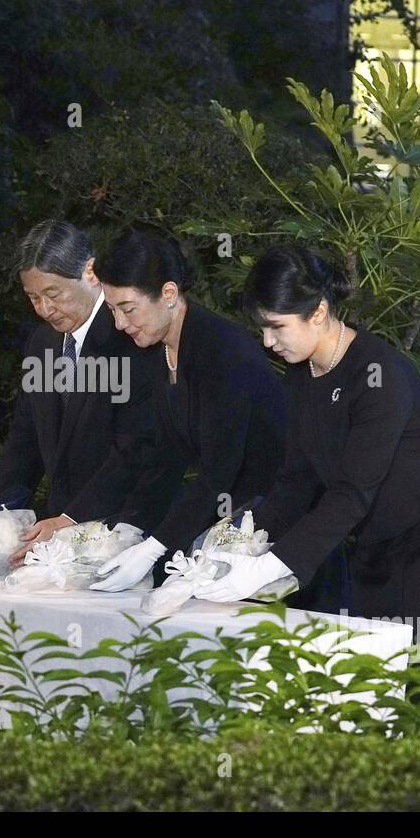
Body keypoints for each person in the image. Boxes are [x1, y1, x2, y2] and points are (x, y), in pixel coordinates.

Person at [191, 245, 420, 641]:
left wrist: (273, 566)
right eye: (262, 330)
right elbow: (297, 482)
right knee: (377, 686)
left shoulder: (379, 372)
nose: (268, 342)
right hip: (376, 552)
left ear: (319, 312)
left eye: (277, 327)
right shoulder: (304, 374)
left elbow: (352, 492)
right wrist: (238, 543)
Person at [91, 231, 288, 591]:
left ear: (168, 294)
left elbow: (219, 471)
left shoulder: (221, 350)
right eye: (111, 310)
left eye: (128, 308)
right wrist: (128, 530)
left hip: (272, 533)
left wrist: (153, 548)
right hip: (225, 523)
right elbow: (166, 455)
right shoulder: (158, 348)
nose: (119, 323)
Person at [0, 220, 158, 567]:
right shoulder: (42, 343)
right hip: (56, 536)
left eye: (53, 294)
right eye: (33, 298)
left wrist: (71, 520)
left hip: (127, 532)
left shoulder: (133, 335)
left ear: (90, 272)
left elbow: (137, 448)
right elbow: (25, 442)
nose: (44, 310)